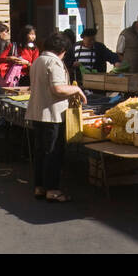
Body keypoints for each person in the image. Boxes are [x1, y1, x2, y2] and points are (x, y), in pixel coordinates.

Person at [27, 31, 87, 204]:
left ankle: (40, 187)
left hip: (37, 113)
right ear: (61, 49)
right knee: (53, 153)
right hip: (52, 115)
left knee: (41, 152)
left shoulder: (38, 60)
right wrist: (76, 89)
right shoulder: (54, 63)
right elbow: (58, 89)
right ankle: (52, 190)